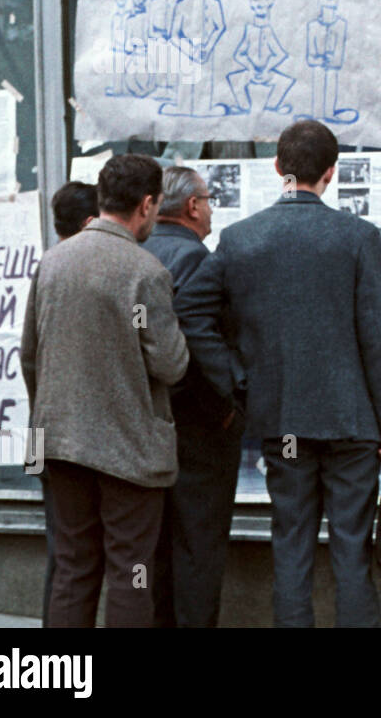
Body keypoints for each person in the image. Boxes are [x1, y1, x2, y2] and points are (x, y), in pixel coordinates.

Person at [174, 121, 381, 627]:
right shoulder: (358, 237)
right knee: (351, 552)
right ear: (331, 172)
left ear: (278, 168)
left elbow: (188, 312)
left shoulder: (241, 239)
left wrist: (238, 379)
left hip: (283, 421)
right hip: (351, 421)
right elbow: (378, 336)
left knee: (292, 549)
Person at [22, 155, 189, 627]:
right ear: (147, 203)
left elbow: (30, 354)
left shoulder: (52, 263)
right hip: (128, 450)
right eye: (155, 207)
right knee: (131, 573)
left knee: (73, 571)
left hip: (60, 445)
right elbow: (171, 364)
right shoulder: (145, 271)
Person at [143, 165, 243, 628]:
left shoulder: (138, 254)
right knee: (198, 549)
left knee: (156, 549)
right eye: (207, 199)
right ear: (192, 206)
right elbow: (202, 341)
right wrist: (223, 407)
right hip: (198, 431)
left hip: (144, 427)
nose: (210, 209)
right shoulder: (199, 260)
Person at [36, 180, 99, 627]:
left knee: (66, 557)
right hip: (92, 438)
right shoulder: (98, 267)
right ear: (90, 222)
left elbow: (27, 356)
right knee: (122, 561)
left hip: (49, 434)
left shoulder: (47, 267)